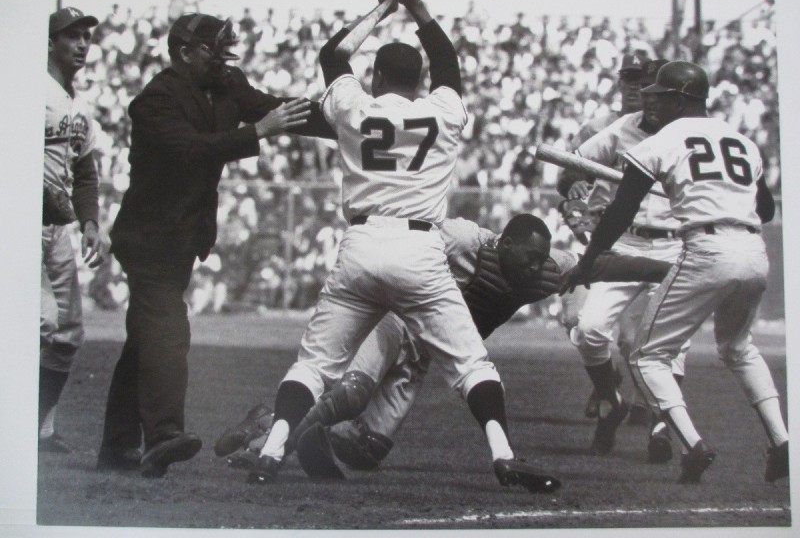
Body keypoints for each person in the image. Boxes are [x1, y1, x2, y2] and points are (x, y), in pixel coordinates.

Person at [244, 0, 560, 493]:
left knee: (314, 365)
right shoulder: (442, 111)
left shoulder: (355, 107)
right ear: (419, 82)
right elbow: (450, 64)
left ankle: (273, 448)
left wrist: (383, 8)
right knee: (470, 364)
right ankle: (503, 455)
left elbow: (332, 54)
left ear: (378, 75)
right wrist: (418, 7)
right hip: (419, 249)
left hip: (362, 245)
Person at [215, 214, 671, 474]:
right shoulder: (460, 237)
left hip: (424, 356)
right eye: (528, 256)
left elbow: (605, 264)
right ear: (504, 243)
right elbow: (404, 240)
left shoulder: (550, 269)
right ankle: (267, 443)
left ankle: (291, 423)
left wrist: (663, 270)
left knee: (367, 449)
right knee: (351, 394)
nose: (535, 267)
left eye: (540, 259)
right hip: (395, 322)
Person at [97, 12, 335, 478]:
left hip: (183, 236)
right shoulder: (155, 101)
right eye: (212, 49)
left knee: (143, 341)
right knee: (168, 327)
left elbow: (279, 107)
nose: (223, 58)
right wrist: (258, 132)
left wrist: (348, 122)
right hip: (148, 236)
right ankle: (163, 434)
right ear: (183, 52)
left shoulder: (227, 84)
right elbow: (192, 148)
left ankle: (117, 446)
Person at [560, 61, 790, 484]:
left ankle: (692, 445)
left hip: (703, 248)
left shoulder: (664, 139)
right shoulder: (741, 141)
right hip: (754, 251)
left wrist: (588, 261)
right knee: (739, 348)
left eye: (662, 97)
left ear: (682, 100)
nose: (653, 102)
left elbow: (618, 212)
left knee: (647, 355)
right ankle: (781, 440)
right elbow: (767, 209)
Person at [558, 59, 695, 462]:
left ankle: (659, 427)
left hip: (674, 246)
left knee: (668, 344)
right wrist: (575, 180)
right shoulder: (621, 128)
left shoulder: (691, 134)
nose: (647, 100)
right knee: (589, 329)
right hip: (625, 242)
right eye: (642, 91)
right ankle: (609, 399)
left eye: (654, 92)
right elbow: (571, 166)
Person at [41, 7, 107, 453]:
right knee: (40, 322)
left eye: (86, 36)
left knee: (67, 335)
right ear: (49, 42)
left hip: (57, 228)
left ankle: (39, 430)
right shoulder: (28, 92)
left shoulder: (80, 106)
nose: (82, 43)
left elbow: (85, 171)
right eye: (72, 36)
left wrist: (89, 222)